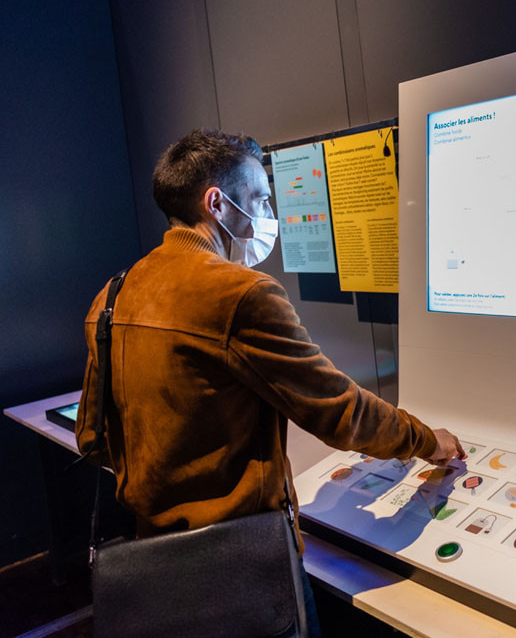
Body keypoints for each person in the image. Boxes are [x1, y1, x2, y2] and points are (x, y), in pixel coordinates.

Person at [75, 129, 464, 636]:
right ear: (216, 202)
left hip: (157, 564)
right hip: (244, 563)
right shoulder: (239, 293)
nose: (266, 216)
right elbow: (338, 409)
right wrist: (426, 440)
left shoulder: (111, 296)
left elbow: (91, 437)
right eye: (259, 199)